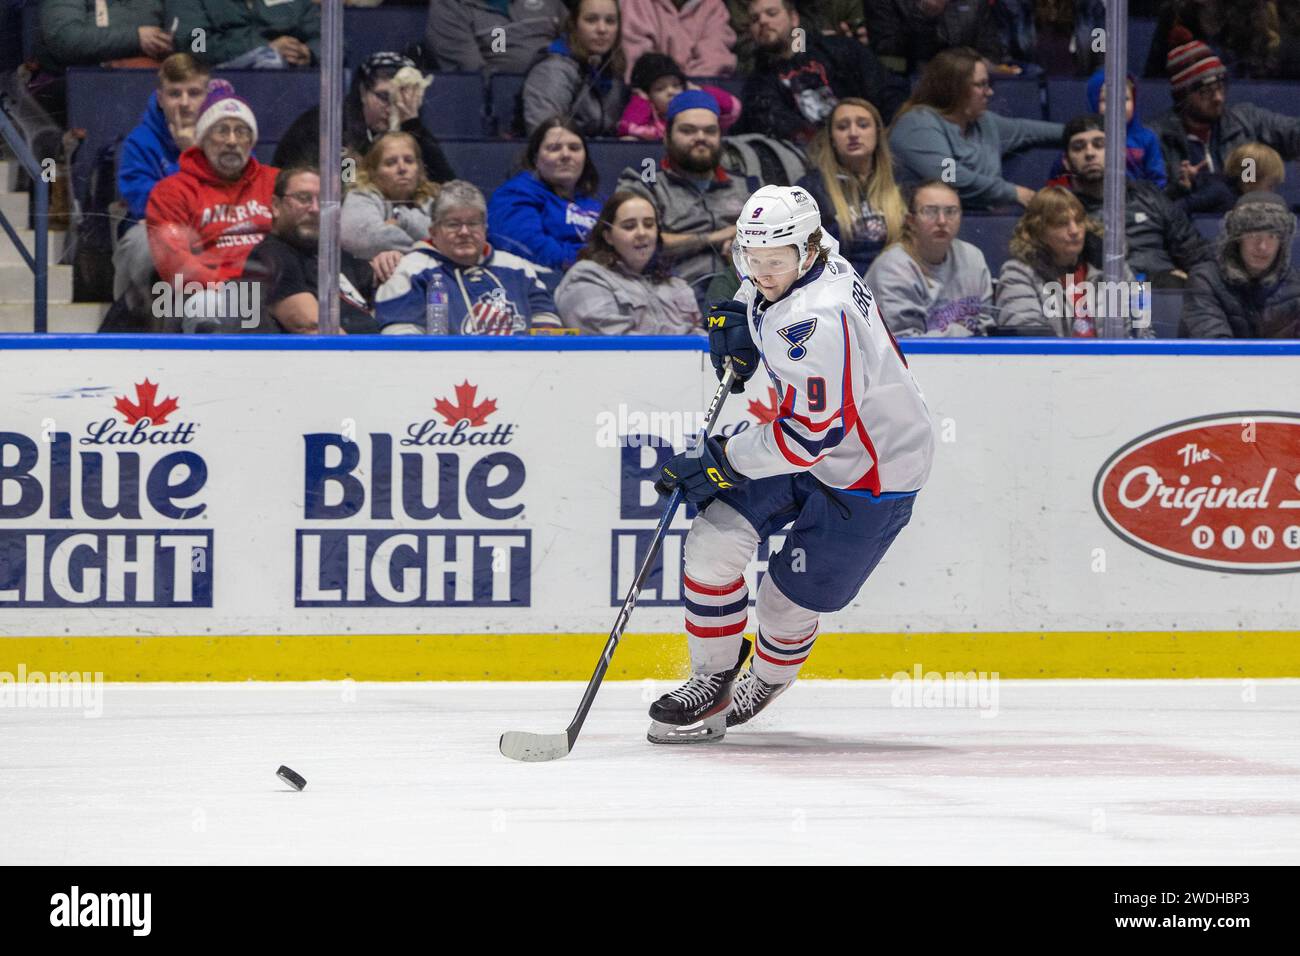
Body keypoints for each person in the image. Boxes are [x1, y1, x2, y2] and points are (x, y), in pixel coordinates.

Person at [646, 184, 935, 741]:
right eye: (750, 261)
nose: (761, 273)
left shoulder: (814, 321)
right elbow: (770, 295)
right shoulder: (812, 251)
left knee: (783, 604)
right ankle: (713, 677)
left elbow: (809, 439)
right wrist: (744, 314)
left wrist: (721, 461)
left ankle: (767, 678)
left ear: (805, 254)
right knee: (712, 545)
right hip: (815, 442)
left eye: (773, 264)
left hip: (871, 473)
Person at [145, 81, 278, 330]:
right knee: (205, 304)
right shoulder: (171, 191)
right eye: (221, 130)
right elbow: (173, 260)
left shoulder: (274, 182)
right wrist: (228, 286)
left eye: (241, 132)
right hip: (212, 292)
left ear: (252, 141)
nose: (231, 141)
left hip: (275, 287)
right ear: (203, 139)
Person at [616, 90, 756, 304]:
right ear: (666, 136)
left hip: (745, 294)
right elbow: (636, 241)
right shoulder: (645, 184)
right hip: (670, 297)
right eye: (688, 131)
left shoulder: (746, 186)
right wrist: (717, 237)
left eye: (710, 131)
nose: (700, 138)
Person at [888, 47, 1063, 210]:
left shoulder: (983, 122)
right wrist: (1012, 192)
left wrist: (1078, 130)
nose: (989, 92)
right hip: (928, 226)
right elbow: (950, 176)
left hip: (982, 223)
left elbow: (1027, 130)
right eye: (981, 85)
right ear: (953, 89)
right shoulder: (918, 124)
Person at [376, 180, 560, 335]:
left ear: (485, 229)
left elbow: (547, 325)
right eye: (453, 224)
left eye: (473, 223)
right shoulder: (410, 270)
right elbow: (400, 343)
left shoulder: (518, 268)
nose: (464, 232)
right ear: (433, 232)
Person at [1053, 114, 1210, 288]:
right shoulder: (1064, 211)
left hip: (1167, 295)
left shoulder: (1150, 196)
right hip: (1103, 300)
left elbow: (1194, 252)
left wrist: (1197, 280)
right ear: (1066, 161)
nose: (1090, 153)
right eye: (1078, 147)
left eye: (1099, 145)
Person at [1152, 29, 1300, 205]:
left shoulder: (1247, 121)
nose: (1218, 98)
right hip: (1184, 226)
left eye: (1221, 87)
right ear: (1182, 96)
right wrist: (1179, 187)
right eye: (1206, 91)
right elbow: (1152, 202)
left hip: (1244, 223)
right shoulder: (1158, 137)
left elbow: (1292, 132)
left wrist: (1246, 182)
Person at [113, 53, 211, 314]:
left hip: (216, 229)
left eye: (194, 92)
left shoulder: (230, 135)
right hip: (160, 230)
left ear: (208, 94)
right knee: (141, 244)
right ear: (160, 97)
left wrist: (192, 152)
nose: (184, 103)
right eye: (175, 94)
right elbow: (144, 201)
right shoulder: (140, 141)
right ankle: (133, 325)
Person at [738, 0, 908, 145]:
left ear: (794, 18)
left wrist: (884, 134)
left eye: (772, 13)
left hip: (875, 140)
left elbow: (886, 90)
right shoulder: (757, 83)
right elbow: (783, 128)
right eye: (755, 19)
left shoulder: (838, 48)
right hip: (814, 158)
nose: (763, 21)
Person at [273, 53, 455, 186]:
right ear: (362, 92)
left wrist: (412, 127)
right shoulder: (332, 125)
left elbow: (446, 184)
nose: (393, 108)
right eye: (384, 97)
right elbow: (345, 185)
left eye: (401, 98)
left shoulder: (412, 128)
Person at [239, 166, 378, 334]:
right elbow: (317, 329)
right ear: (276, 205)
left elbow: (386, 299)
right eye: (303, 198)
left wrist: (388, 259)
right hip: (347, 357)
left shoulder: (337, 257)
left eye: (322, 200)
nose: (315, 209)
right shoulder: (270, 257)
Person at [994, 186, 1144, 337]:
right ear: (1039, 231)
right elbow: (1027, 340)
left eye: (1079, 221)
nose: (1074, 230)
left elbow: (1143, 329)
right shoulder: (1018, 274)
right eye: (1061, 223)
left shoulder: (1114, 268)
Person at [555, 190, 701, 334]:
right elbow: (615, 341)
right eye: (629, 226)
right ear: (608, 237)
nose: (642, 233)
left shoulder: (675, 284)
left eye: (649, 224)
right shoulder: (586, 277)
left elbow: (701, 338)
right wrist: (684, 339)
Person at [866, 179, 992, 336]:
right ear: (911, 221)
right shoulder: (892, 268)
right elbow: (903, 345)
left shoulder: (973, 258)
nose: (942, 221)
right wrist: (959, 334)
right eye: (930, 211)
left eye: (951, 211)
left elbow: (987, 329)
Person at [796, 98, 906, 277]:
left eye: (863, 125)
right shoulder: (812, 189)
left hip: (896, 281)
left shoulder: (901, 180)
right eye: (842, 127)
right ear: (832, 138)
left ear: (878, 133)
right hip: (841, 285)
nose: (853, 133)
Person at [487, 117, 603, 271]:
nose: (566, 155)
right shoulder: (514, 194)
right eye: (554, 148)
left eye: (574, 148)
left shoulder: (594, 202)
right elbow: (534, 250)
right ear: (535, 158)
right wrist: (597, 259)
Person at [1182, 191, 1300, 338]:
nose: (1262, 246)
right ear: (1238, 238)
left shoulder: (1296, 285)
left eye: (1272, 236)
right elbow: (1214, 350)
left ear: (1282, 243)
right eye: (1253, 235)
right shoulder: (1205, 280)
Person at [522, 0, 627, 137]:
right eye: (591, 20)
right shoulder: (553, 70)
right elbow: (545, 139)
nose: (602, 29)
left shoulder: (613, 70)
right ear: (573, 24)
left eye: (610, 21)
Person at [340, 132, 442, 273]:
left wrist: (402, 221)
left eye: (409, 160)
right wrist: (430, 249)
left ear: (419, 168)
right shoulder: (359, 194)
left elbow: (449, 239)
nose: (402, 168)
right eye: (390, 163)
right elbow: (364, 240)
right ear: (373, 172)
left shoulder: (434, 200)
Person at [865, 0, 1015, 77]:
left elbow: (992, 49)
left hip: (969, 82)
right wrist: (924, 16)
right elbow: (887, 49)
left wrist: (982, 63)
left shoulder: (975, 3)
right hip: (912, 85)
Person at [617, 52, 742, 142]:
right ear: (648, 95)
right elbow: (627, 128)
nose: (671, 92)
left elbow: (733, 109)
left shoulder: (695, 112)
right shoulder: (650, 126)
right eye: (660, 88)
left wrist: (699, 91)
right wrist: (641, 101)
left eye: (676, 85)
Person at [426, 0, 568, 75]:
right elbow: (472, 77)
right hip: (505, 98)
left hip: (562, 84)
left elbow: (577, 38)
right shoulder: (450, 5)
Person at [165, 0, 318, 68]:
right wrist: (264, 50)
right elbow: (196, 44)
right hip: (220, 84)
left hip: (293, 81)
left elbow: (325, 34)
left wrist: (309, 53)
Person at [619, 0, 737, 83]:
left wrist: (685, 95)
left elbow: (715, 60)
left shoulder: (714, 6)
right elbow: (640, 61)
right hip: (650, 94)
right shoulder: (636, 3)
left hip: (699, 96)